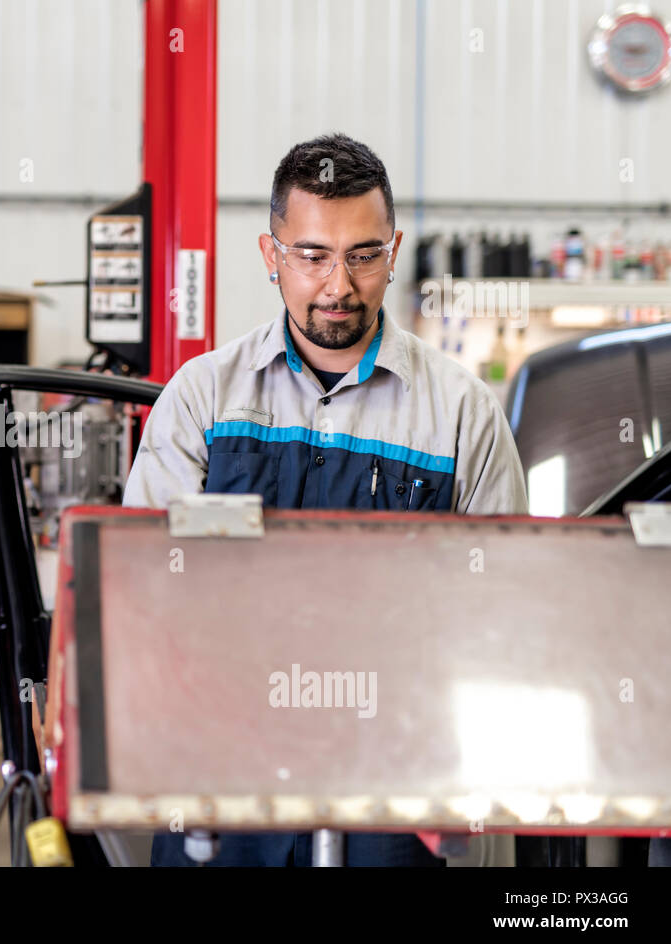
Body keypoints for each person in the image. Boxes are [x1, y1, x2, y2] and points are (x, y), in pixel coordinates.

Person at [123, 133, 528, 867]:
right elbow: (147, 588)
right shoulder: (202, 399)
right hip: (221, 773)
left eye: (363, 255)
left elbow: (503, 608)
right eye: (311, 255)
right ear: (270, 253)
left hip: (397, 785)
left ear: (395, 249)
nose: (338, 285)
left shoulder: (463, 414)